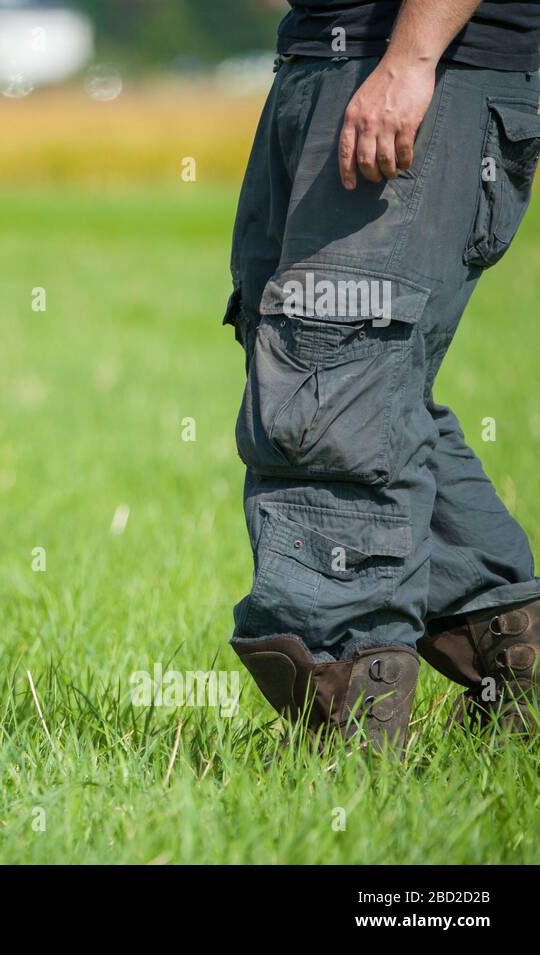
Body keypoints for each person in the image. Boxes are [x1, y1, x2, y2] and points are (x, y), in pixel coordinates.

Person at [226, 0, 540, 750]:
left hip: (412, 63)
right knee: (332, 379)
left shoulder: (409, 59)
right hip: (322, 61)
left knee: (332, 395)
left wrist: (411, 57)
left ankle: (353, 738)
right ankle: (513, 653)